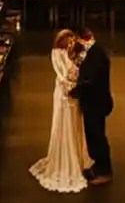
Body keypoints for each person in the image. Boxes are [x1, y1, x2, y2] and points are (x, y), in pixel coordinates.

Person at [28, 29, 92, 193]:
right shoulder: (57, 53)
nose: (70, 42)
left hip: (73, 93)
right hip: (64, 94)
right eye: (68, 39)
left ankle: (78, 157)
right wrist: (73, 78)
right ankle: (67, 159)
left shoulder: (72, 52)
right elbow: (64, 74)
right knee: (64, 125)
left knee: (75, 125)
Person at [69, 27, 114, 185]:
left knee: (97, 136)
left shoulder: (96, 54)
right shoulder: (95, 52)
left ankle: (105, 171)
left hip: (96, 102)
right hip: (95, 101)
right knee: (93, 135)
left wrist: (75, 89)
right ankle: (98, 165)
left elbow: (91, 80)